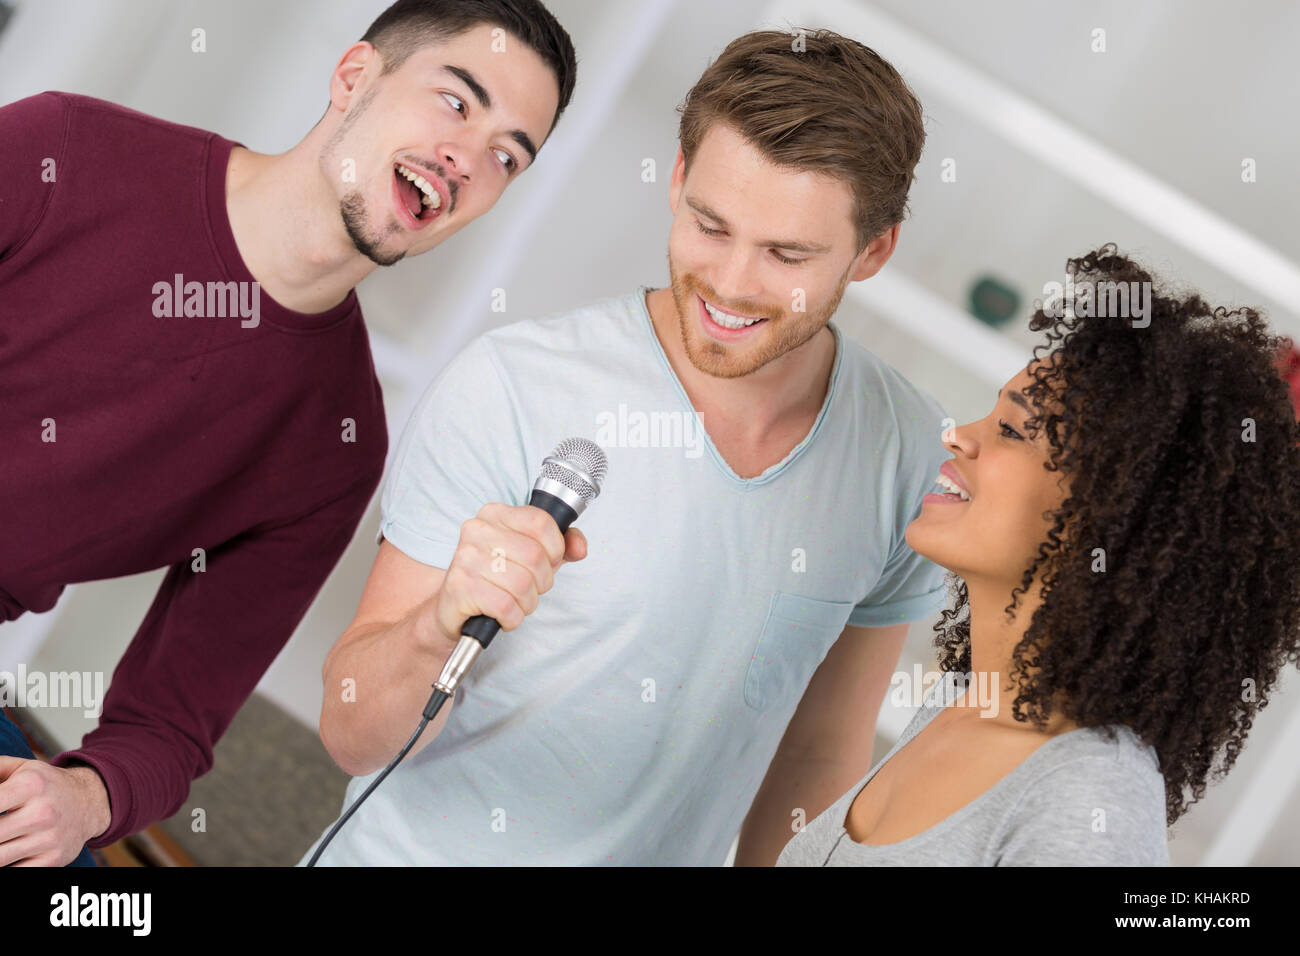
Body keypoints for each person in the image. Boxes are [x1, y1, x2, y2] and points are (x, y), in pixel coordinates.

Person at [305, 27, 948, 866]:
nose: (732, 282)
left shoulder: (903, 452)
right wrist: (436, 626)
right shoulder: (512, 387)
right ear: (677, 181)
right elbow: (351, 735)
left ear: (873, 251)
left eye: (787, 253)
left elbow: (819, 754)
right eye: (710, 225)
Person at [0, 0, 576, 866]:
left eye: (506, 157)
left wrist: (83, 798)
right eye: (457, 101)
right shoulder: (63, 150)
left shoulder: (335, 449)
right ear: (354, 79)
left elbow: (169, 724)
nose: (469, 160)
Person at [776, 244, 1300, 865]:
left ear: (1112, 514)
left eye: (1011, 431)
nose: (959, 436)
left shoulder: (1088, 796)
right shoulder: (962, 701)